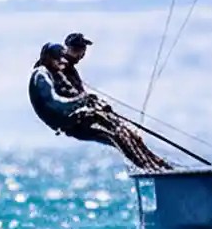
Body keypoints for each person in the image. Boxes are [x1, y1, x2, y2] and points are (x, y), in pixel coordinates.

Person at [28, 42, 170, 171]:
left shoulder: (57, 72)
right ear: (48, 58)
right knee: (116, 135)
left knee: (125, 130)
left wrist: (94, 102)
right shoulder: (41, 76)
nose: (63, 61)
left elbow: (76, 96)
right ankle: (151, 169)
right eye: (59, 58)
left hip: (77, 118)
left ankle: (158, 164)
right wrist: (82, 101)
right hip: (70, 124)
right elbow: (55, 104)